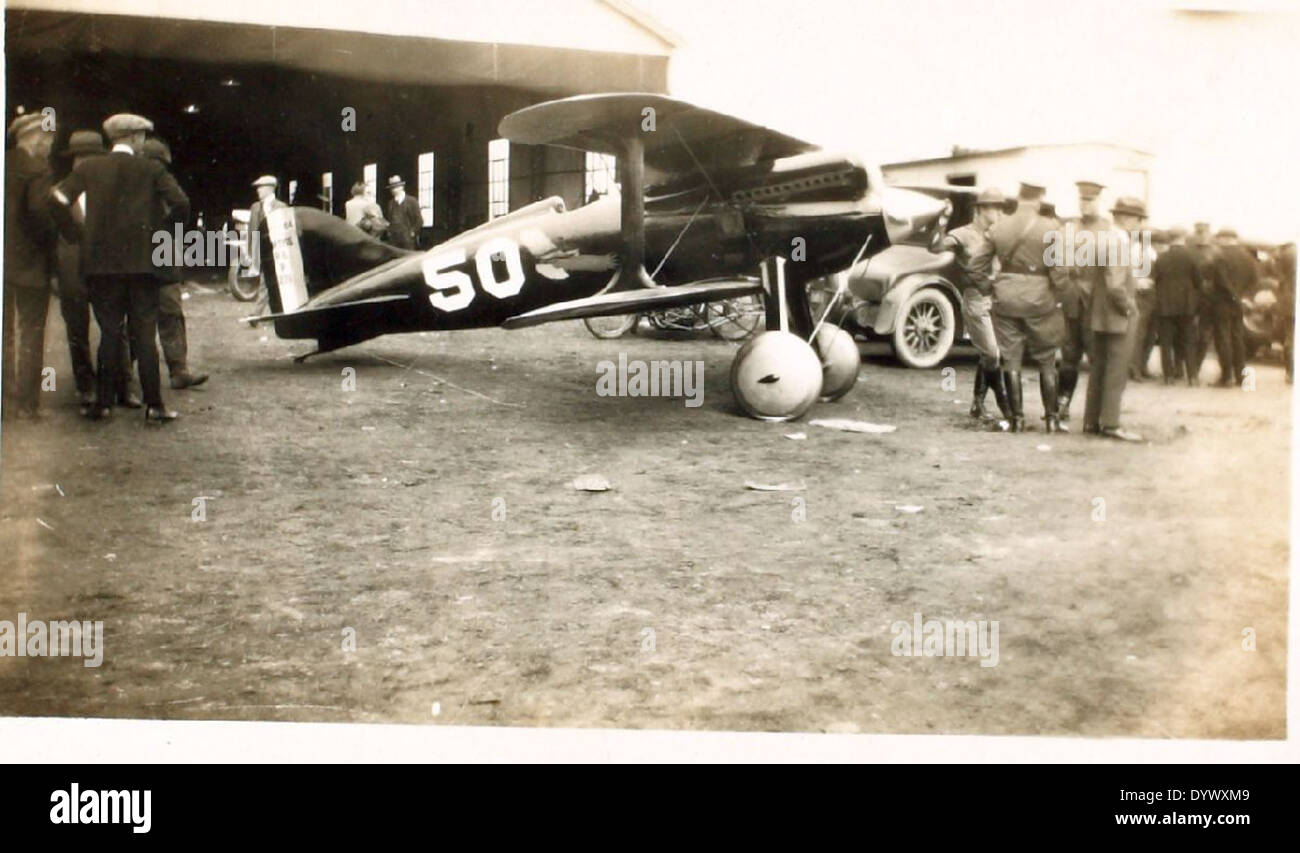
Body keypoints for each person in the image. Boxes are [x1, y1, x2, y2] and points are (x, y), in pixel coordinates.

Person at [51, 112, 188, 423]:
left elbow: (57, 200)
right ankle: (155, 406)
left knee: (110, 333)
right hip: (144, 266)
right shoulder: (152, 169)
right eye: (141, 137)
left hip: (101, 266)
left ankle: (102, 404)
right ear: (136, 138)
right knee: (144, 334)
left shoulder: (89, 168)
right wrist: (160, 235)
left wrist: (75, 236)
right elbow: (181, 203)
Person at [975, 180, 1069, 433]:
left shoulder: (999, 227)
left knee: (1011, 360)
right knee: (1047, 361)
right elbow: (1060, 271)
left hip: (1005, 300)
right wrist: (1058, 291)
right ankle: (1051, 419)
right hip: (1041, 301)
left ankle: (1016, 420)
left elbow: (975, 267)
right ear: (1039, 200)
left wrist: (989, 289)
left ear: (1017, 198)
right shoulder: (1051, 228)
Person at [141, 137, 207, 390]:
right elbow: (182, 205)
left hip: (139, 256)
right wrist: (167, 228)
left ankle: (129, 377)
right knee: (168, 312)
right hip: (161, 255)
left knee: (142, 316)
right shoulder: (161, 182)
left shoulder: (133, 180)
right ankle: (177, 370)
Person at [3, 112, 57, 420]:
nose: (50, 145)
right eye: (48, 139)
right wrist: (52, 241)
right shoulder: (38, 170)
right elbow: (40, 213)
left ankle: (5, 400)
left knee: (4, 333)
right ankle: (26, 404)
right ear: (37, 138)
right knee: (31, 333)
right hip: (30, 265)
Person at [941, 186, 1010, 422]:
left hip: (996, 300)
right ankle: (1004, 403)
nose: (999, 213)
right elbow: (940, 246)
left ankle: (977, 404)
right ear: (982, 209)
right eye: (995, 208)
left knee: (990, 354)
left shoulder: (997, 234)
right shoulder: (963, 234)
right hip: (975, 299)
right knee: (991, 353)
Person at [1082, 197, 1142, 441]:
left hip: (1100, 314)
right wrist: (1129, 308)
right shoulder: (1119, 242)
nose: (1138, 226)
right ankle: (1110, 423)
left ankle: (1092, 421)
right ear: (1129, 219)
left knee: (1099, 369)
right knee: (1116, 371)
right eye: (1138, 220)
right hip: (1117, 316)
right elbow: (1116, 285)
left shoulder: (1103, 238)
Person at [1057, 180, 1109, 423]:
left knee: (1098, 358)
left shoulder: (1108, 229)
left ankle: (1095, 413)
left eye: (1090, 200)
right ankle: (1062, 404)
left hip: (1097, 303)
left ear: (1099, 201)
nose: (1085, 205)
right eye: (1082, 200)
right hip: (1072, 301)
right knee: (1069, 357)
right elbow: (1058, 262)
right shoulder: (1069, 227)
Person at [1151, 226, 1203, 385]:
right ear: (1183, 237)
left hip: (1165, 305)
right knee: (1188, 341)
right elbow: (1198, 282)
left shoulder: (1161, 257)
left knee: (1165, 342)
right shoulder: (1192, 256)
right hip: (1186, 306)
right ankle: (1192, 377)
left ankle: (1168, 376)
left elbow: (1155, 279)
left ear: (1170, 239)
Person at [1208, 227, 1257, 387]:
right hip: (1240, 304)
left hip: (1223, 303)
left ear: (1225, 239)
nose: (1218, 241)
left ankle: (1226, 377)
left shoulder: (1220, 257)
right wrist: (1244, 298)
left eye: (1220, 238)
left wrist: (1234, 296)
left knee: (1223, 339)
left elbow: (1222, 282)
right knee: (1238, 338)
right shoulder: (1248, 257)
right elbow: (1254, 280)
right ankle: (1241, 376)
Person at [384, 175, 422, 249]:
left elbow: (419, 220)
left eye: (396, 187)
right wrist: (389, 232)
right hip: (394, 242)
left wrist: (412, 232)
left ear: (402, 187)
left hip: (408, 241)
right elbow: (389, 221)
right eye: (392, 188)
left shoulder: (412, 201)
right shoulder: (391, 204)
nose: (394, 190)